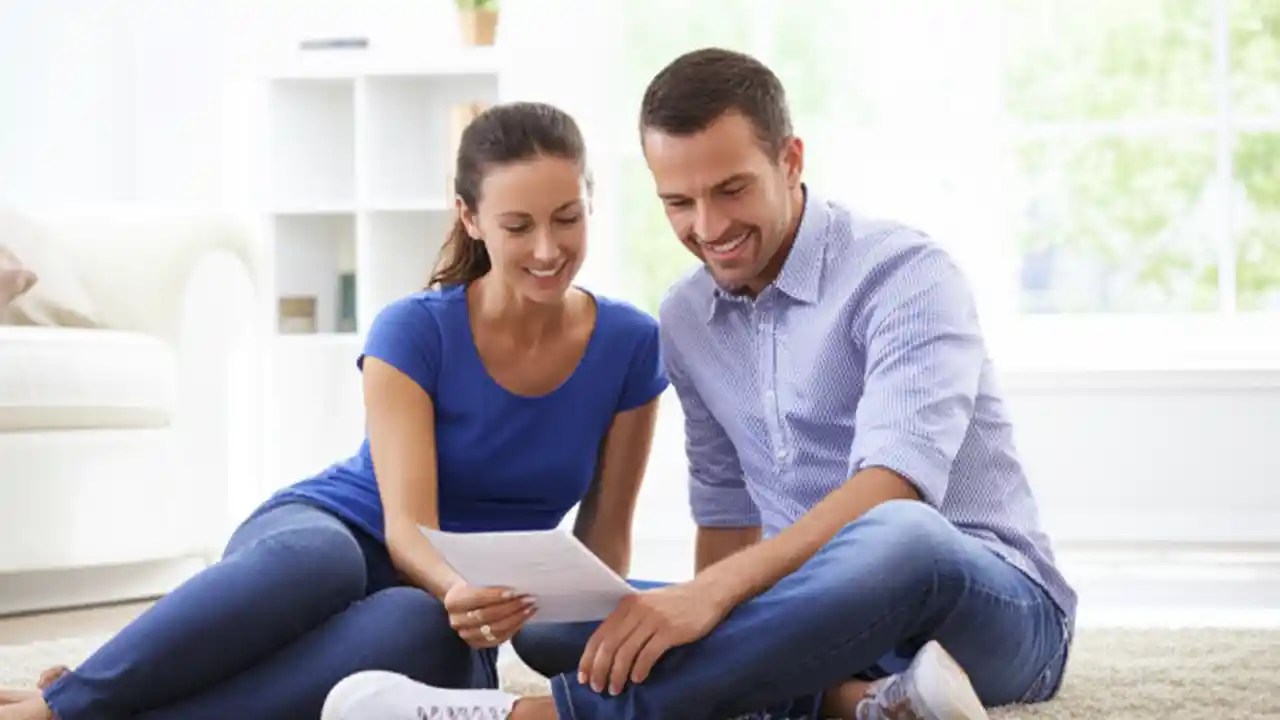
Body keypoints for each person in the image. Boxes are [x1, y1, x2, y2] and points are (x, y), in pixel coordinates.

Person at [321, 48, 1077, 720]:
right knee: (560, 621)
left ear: (790, 160)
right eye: (678, 203)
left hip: (989, 609)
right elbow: (725, 512)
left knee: (903, 537)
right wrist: (693, 610)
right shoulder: (687, 316)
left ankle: (538, 719)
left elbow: (894, 488)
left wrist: (712, 600)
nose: (708, 226)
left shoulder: (905, 275)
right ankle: (868, 704)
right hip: (819, 616)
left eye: (731, 190)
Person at [0, 101, 667, 720]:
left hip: (450, 606)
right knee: (326, 560)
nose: (548, 249)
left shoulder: (630, 343)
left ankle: (94, 708)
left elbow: (604, 538)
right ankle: (60, 709)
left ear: (590, 204)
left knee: (421, 635)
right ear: (469, 218)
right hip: (340, 534)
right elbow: (408, 533)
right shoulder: (414, 329)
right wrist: (458, 590)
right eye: (518, 226)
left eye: (567, 218)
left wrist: (560, 618)